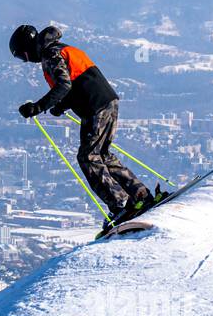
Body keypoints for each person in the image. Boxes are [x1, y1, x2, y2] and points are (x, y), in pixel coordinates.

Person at [10, 23, 154, 225]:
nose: (27, 61)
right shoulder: (61, 48)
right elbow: (77, 82)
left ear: (28, 48)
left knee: (88, 157)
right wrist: (61, 106)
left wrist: (37, 107)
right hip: (107, 100)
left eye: (22, 57)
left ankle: (121, 205)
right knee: (102, 154)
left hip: (94, 106)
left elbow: (64, 84)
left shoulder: (50, 54)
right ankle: (141, 196)